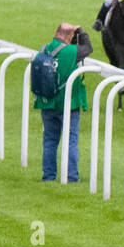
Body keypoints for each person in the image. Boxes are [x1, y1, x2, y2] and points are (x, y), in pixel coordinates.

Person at [32, 23, 93, 182]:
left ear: (56, 33)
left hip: (47, 103)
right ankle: (71, 176)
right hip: (69, 104)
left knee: (50, 141)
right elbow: (88, 48)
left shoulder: (43, 49)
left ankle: (48, 176)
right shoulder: (72, 51)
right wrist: (82, 32)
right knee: (70, 141)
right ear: (70, 37)